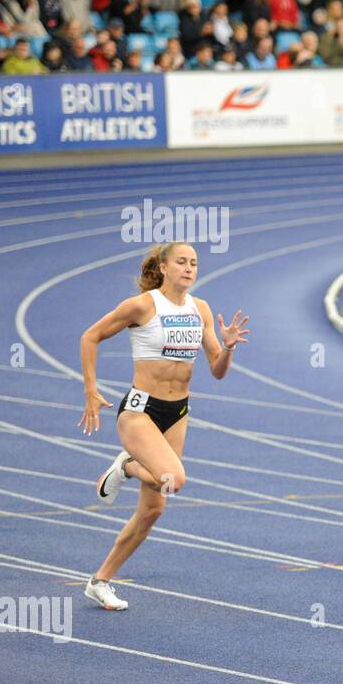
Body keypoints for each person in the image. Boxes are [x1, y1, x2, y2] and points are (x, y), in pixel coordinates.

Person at [78, 242, 249, 610]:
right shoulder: (143, 306)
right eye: (181, 262)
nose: (189, 269)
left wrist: (229, 348)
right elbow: (90, 336)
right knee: (176, 477)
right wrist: (91, 390)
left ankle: (100, 580)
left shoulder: (199, 309)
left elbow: (217, 371)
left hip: (177, 413)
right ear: (163, 267)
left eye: (194, 263)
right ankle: (125, 465)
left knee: (154, 508)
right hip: (141, 411)